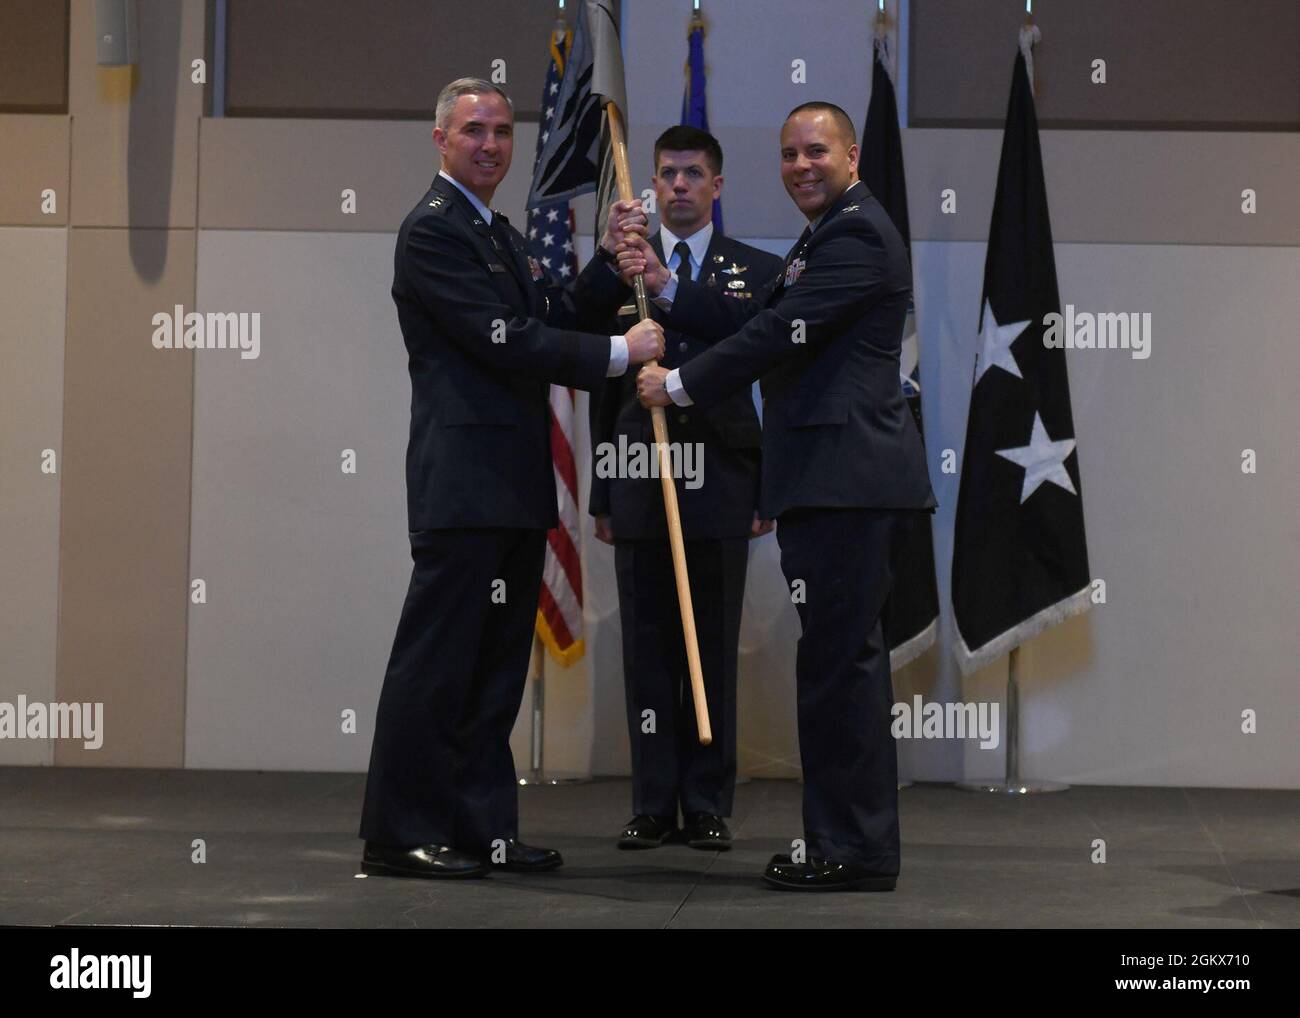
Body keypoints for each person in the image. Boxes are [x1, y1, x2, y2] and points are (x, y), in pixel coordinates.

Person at [625, 102, 936, 891]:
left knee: (840, 672)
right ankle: (846, 843)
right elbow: (758, 313)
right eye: (791, 154)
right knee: (839, 667)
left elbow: (775, 335)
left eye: (817, 151)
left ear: (852, 154)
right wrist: (666, 286)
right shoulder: (826, 233)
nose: (802, 165)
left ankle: (852, 850)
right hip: (829, 483)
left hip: (846, 483)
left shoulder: (857, 233)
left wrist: (681, 385)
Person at [358, 78, 663, 880]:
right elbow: (505, 338)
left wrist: (608, 259)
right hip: (463, 485)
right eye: (473, 131)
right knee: (436, 665)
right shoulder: (432, 232)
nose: (490, 144)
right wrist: (616, 354)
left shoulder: (494, 231)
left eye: (500, 130)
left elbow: (554, 308)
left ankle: (481, 829)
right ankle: (399, 833)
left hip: (514, 483)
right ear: (441, 140)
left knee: (494, 673)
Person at [588, 126, 783, 851]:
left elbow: (757, 352)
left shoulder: (752, 270)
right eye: (667, 174)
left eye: (692, 174)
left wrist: (767, 485)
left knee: (710, 647)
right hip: (641, 478)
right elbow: (600, 391)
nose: (677, 186)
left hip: (723, 479)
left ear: (717, 187)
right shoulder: (620, 272)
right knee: (648, 651)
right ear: (652, 186)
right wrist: (602, 491)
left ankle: (705, 803)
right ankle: (651, 802)